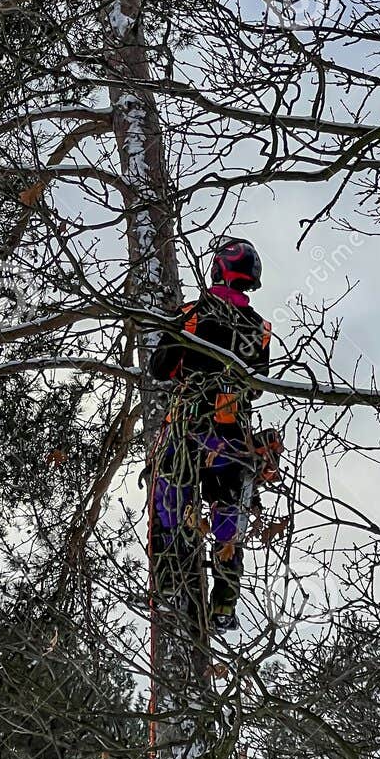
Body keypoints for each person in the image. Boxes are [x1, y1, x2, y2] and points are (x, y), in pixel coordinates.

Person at [147, 237, 278, 632]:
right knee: (228, 517)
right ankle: (224, 602)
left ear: (218, 268)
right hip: (232, 435)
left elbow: (160, 369)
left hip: (187, 430)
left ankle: (170, 581)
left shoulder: (190, 314)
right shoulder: (259, 329)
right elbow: (256, 386)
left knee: (168, 500)